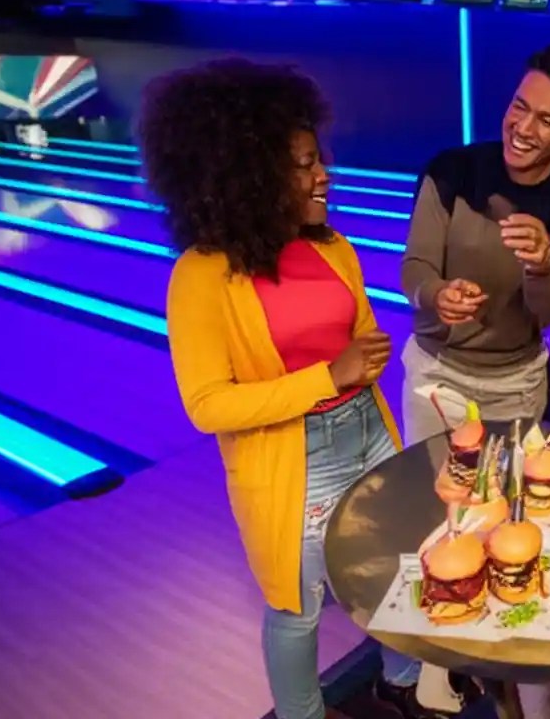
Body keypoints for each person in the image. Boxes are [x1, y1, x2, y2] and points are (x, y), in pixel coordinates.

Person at [141, 60, 420, 719]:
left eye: (318, 159)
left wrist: (365, 360)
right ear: (250, 175)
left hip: (367, 430)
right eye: (301, 165)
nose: (322, 174)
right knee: (298, 609)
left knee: (393, 569)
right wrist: (329, 375)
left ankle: (404, 682)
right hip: (295, 458)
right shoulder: (201, 276)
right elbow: (208, 405)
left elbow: (360, 341)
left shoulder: (332, 247)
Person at [400, 44, 550, 439]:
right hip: (435, 374)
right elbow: (415, 265)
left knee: (509, 498)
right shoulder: (451, 171)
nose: (523, 128)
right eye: (519, 106)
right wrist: (436, 293)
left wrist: (541, 268)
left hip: (516, 386)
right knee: (431, 493)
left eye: (545, 120)